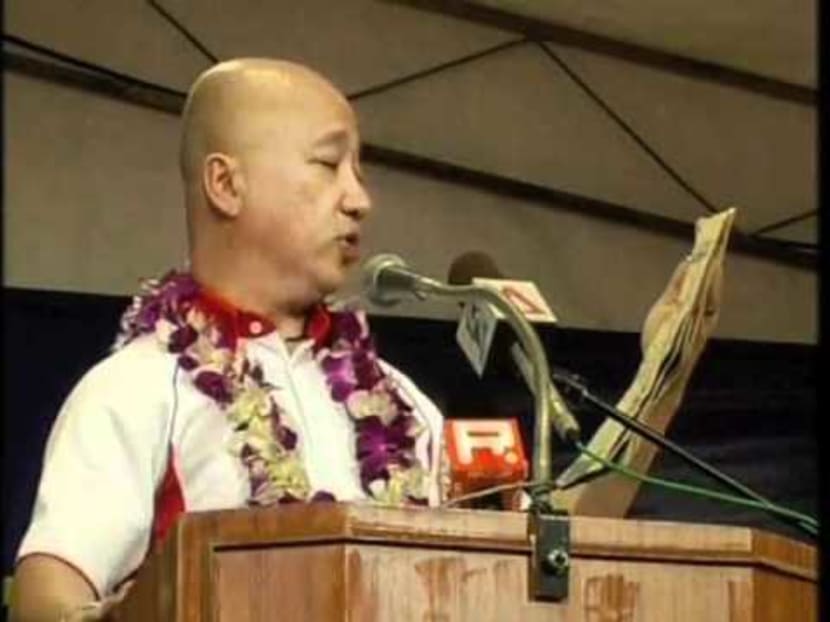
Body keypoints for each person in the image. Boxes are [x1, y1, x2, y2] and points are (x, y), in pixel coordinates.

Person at [10, 58, 444, 622]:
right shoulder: (136, 390)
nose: (359, 199)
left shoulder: (404, 406)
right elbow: (44, 601)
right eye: (328, 164)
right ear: (226, 184)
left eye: (358, 171)